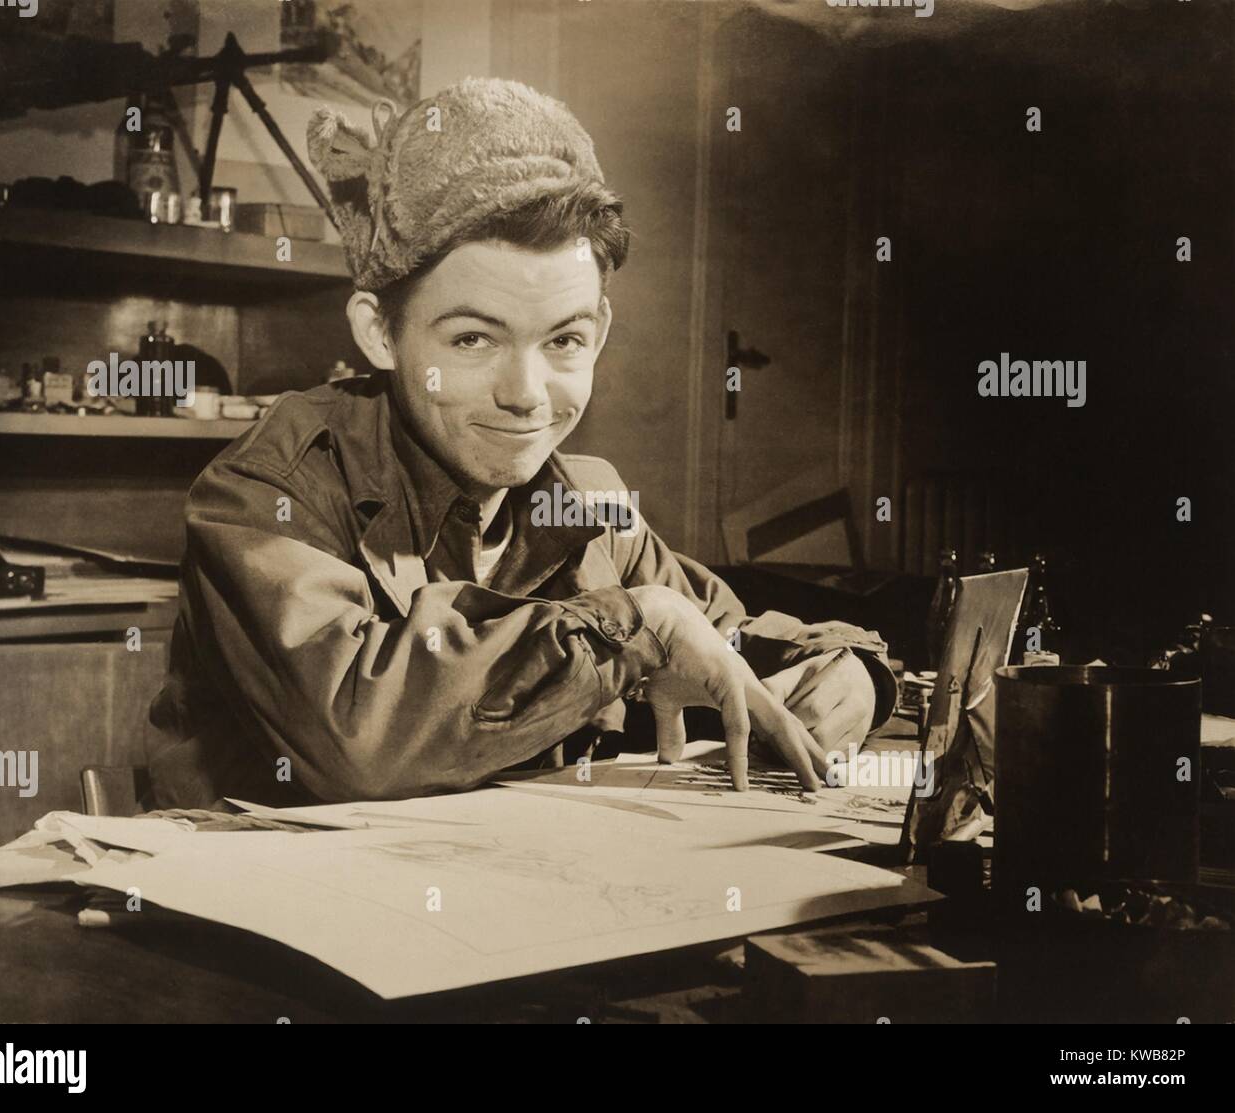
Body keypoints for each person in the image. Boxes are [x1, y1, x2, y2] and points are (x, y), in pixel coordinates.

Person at [147, 78, 897, 809]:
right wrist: (634, 626)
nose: (527, 393)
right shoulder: (268, 490)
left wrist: (851, 674)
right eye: (473, 338)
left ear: (598, 333)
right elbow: (361, 741)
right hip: (264, 919)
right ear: (380, 331)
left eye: (564, 339)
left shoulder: (590, 502)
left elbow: (725, 635)